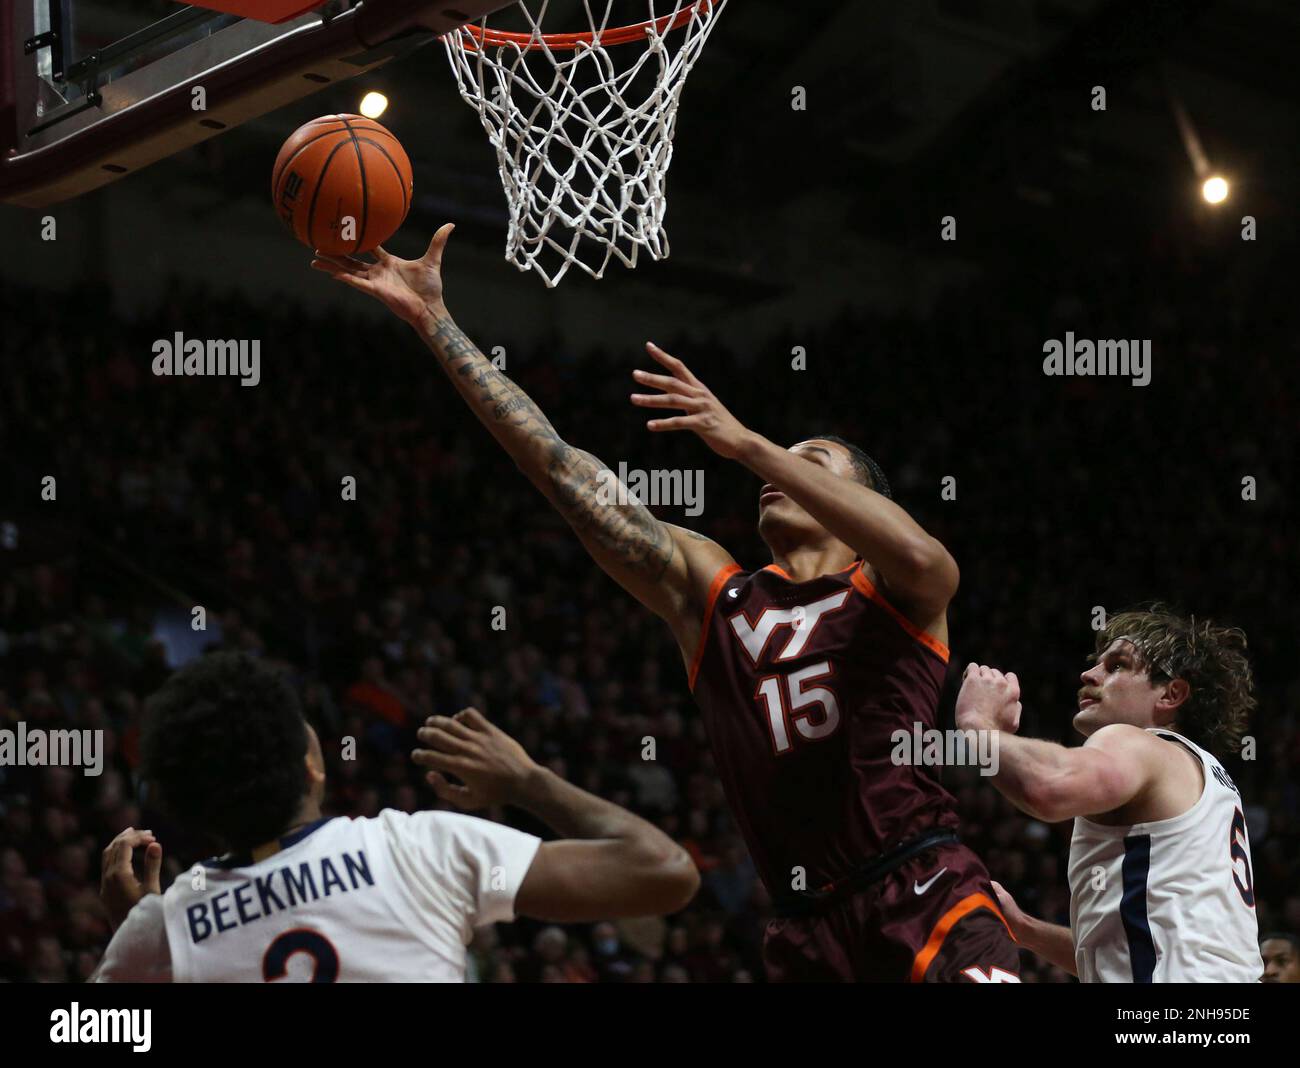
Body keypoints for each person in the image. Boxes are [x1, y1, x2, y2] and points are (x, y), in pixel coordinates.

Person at [311, 228, 1019, 982]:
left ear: (857, 503)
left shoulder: (892, 592)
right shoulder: (715, 591)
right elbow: (562, 470)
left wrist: (747, 443)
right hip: (805, 929)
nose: (780, 471)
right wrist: (434, 322)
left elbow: (926, 557)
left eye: (811, 462)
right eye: (781, 459)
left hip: (924, 888)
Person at [91, 652, 697, 982]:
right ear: (312, 761)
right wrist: (527, 782)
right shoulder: (419, 848)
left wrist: (140, 934)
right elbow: (665, 871)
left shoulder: (165, 928)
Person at [956, 607, 1264, 982]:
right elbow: (1141, 951)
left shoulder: (1138, 743)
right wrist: (1026, 930)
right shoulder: (1213, 780)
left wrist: (978, 724)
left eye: (1117, 665)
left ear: (1171, 694)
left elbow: (1048, 787)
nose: (1089, 674)